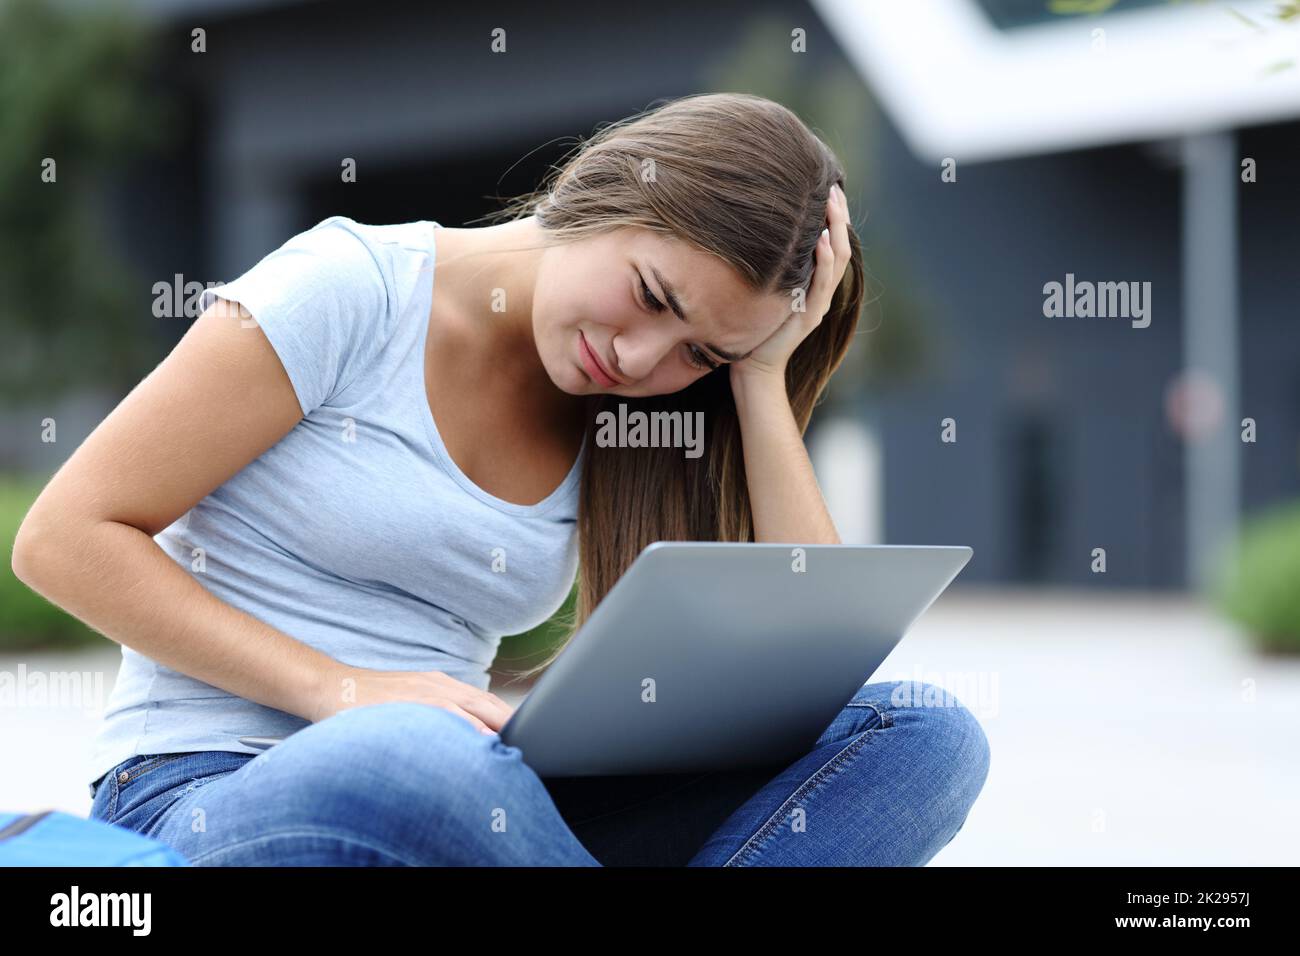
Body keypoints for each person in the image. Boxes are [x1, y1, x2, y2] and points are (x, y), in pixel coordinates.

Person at [13, 92, 989, 866]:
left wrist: (762, 379)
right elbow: (61, 537)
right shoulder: (352, 287)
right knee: (411, 758)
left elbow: (800, 656)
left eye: (698, 350)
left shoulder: (640, 406)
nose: (640, 357)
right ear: (602, 191)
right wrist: (344, 689)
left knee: (924, 729)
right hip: (208, 792)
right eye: (651, 295)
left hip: (482, 801)